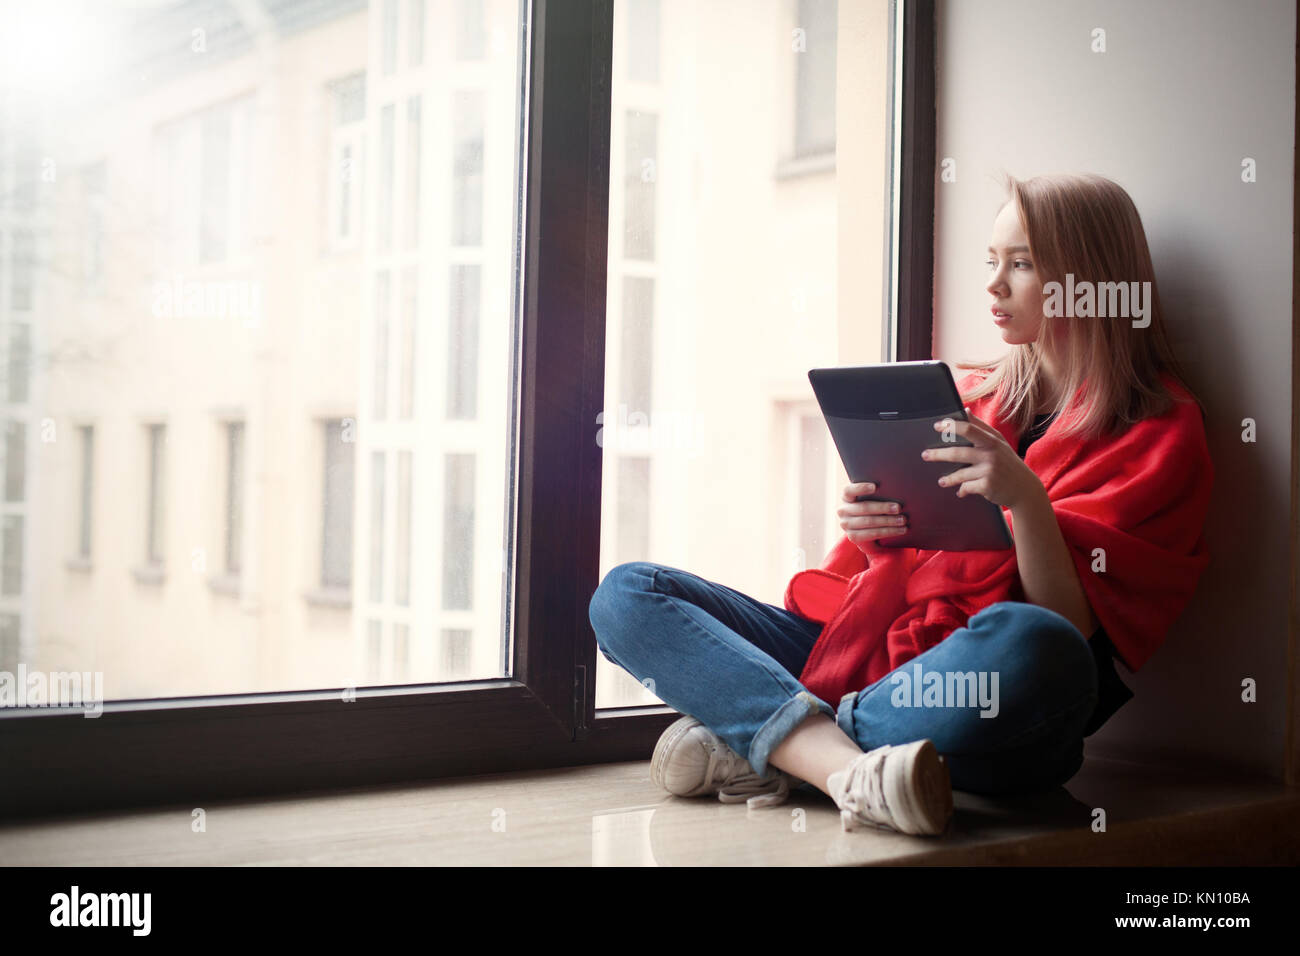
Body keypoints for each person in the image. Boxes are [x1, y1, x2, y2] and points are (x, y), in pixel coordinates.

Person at [587, 173, 1213, 837]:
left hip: (983, 699)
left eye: (1023, 264)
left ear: (1089, 279)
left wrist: (1026, 501)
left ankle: (774, 742)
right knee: (628, 594)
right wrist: (874, 534)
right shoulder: (968, 396)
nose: (994, 285)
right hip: (877, 651)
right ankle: (842, 770)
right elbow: (884, 572)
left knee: (1040, 646)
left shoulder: (1161, 429)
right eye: (991, 262)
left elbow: (1072, 628)